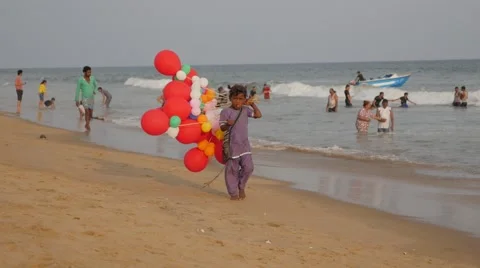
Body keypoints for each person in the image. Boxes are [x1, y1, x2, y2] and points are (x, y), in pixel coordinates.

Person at [219, 84, 262, 200]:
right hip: (232, 146)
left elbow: (258, 115)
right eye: (235, 98)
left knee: (249, 168)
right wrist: (228, 124)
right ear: (230, 98)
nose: (237, 101)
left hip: (244, 146)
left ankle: (241, 185)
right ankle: (233, 193)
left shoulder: (245, 110)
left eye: (241, 99)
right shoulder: (225, 111)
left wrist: (252, 103)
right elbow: (222, 128)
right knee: (231, 171)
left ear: (244, 99)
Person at [75, 66, 98, 131]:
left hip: (91, 98)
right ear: (84, 72)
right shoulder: (80, 80)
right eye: (88, 72)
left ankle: (87, 124)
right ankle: (87, 125)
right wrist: (77, 100)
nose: (90, 73)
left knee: (90, 114)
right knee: (87, 112)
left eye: (90, 72)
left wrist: (95, 90)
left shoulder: (92, 78)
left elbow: (96, 85)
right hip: (84, 98)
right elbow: (77, 90)